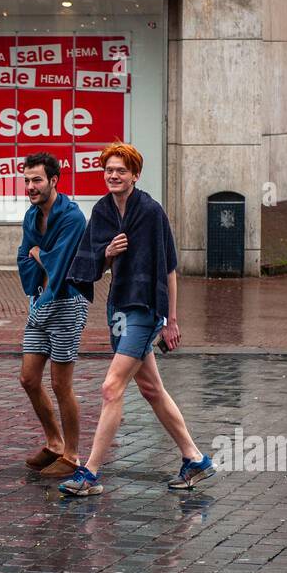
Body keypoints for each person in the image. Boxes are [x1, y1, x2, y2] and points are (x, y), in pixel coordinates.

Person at [59, 142, 212, 497]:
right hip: (118, 309)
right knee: (151, 389)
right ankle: (195, 459)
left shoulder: (150, 211)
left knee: (111, 387)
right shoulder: (101, 211)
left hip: (144, 309)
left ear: (135, 175)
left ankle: (89, 473)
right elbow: (89, 264)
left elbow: (169, 267)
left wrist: (171, 320)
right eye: (108, 169)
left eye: (121, 170)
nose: (113, 175)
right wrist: (107, 254)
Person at [16, 152, 93, 480]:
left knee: (61, 384)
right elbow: (24, 257)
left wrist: (40, 256)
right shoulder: (31, 216)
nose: (31, 187)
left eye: (37, 180)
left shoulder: (73, 218)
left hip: (67, 303)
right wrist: (38, 257)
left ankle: (73, 456)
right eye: (27, 180)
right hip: (39, 303)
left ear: (54, 181)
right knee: (29, 379)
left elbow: (59, 266)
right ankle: (54, 442)